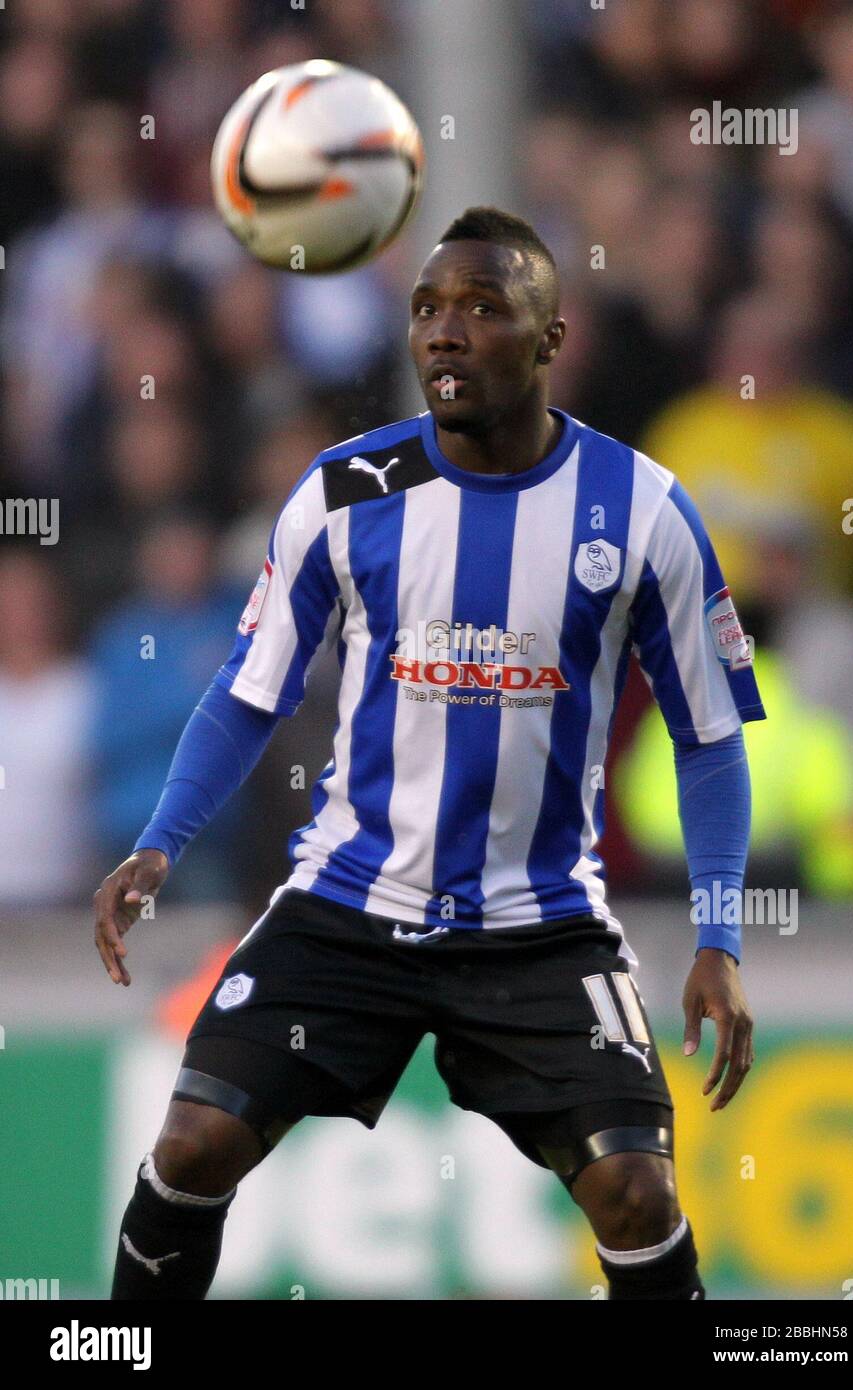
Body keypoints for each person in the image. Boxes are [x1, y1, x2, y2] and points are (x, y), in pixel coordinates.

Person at [94, 207, 764, 1302]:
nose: (446, 333)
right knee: (193, 1143)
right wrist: (160, 842)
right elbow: (246, 692)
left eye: (483, 310)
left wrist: (722, 933)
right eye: (427, 309)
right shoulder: (345, 491)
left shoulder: (641, 509)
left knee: (638, 1193)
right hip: (349, 908)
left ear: (551, 341)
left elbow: (707, 734)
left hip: (538, 928)